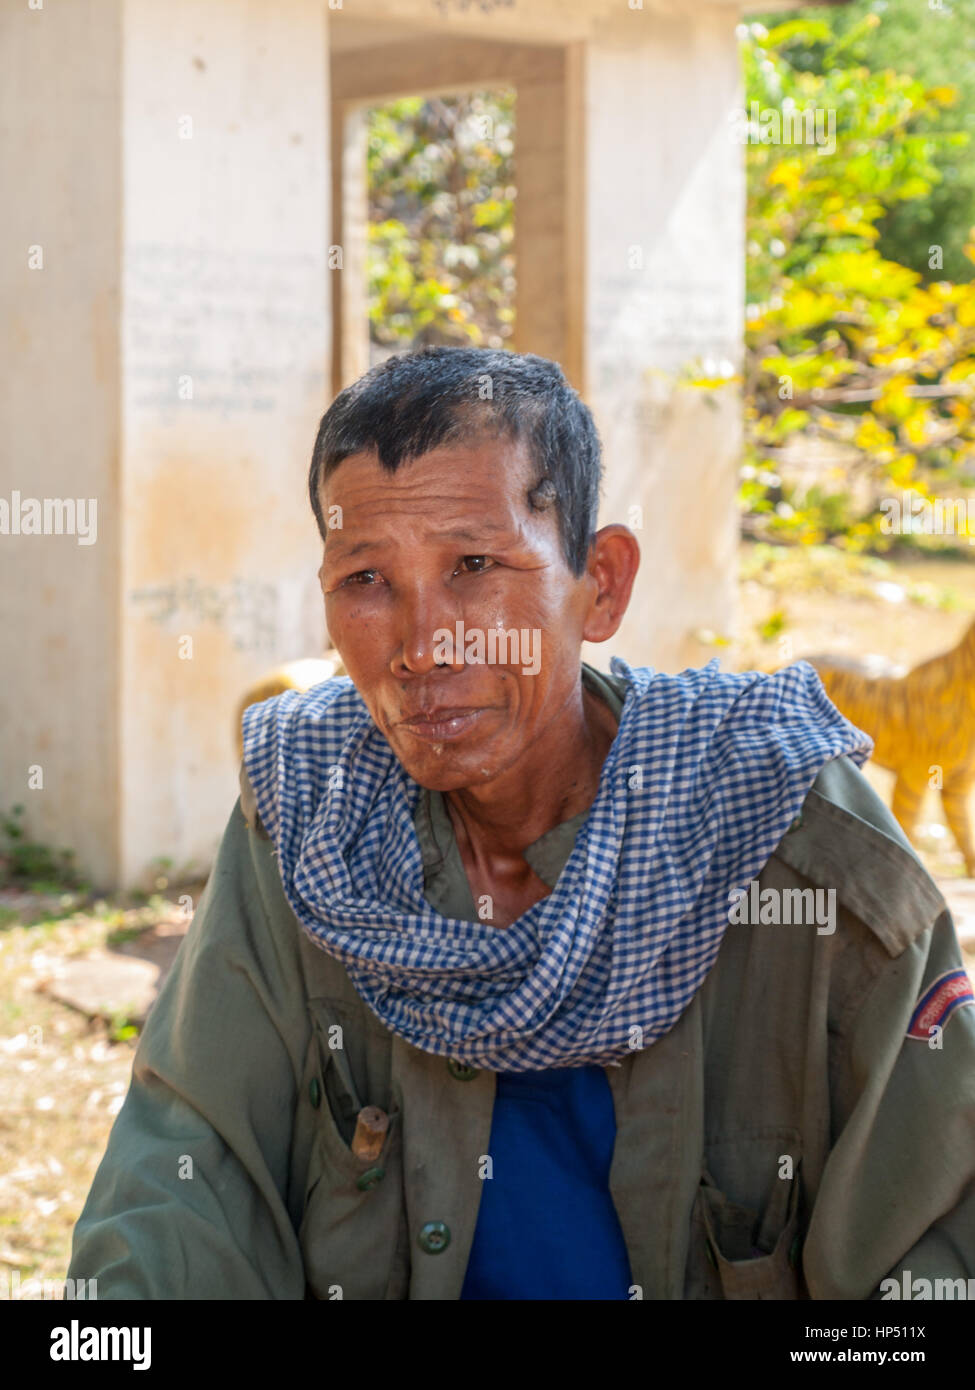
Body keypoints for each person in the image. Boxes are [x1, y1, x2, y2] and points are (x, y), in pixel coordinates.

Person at [68, 347, 975, 1300]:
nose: (422, 646)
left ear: (602, 584)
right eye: (367, 580)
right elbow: (183, 1174)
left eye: (474, 565)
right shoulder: (313, 815)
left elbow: (931, 1243)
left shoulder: (783, 829)